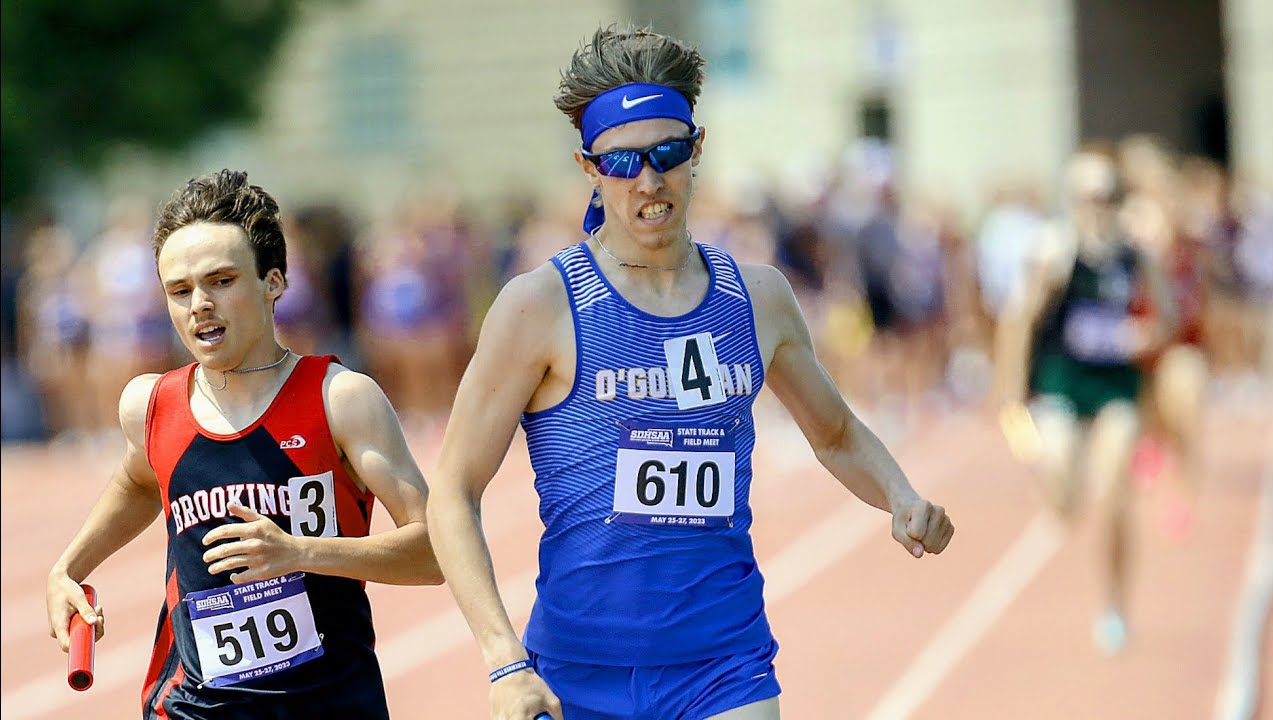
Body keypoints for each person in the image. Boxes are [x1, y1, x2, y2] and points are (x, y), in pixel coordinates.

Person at [427, 26, 954, 720]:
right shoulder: (540, 306)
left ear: (697, 150)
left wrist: (900, 494)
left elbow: (834, 434)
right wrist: (504, 662)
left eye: (668, 153)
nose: (649, 180)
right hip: (576, 674)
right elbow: (453, 492)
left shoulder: (757, 298)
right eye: (623, 162)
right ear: (590, 169)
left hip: (724, 665)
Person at [45, 169, 443, 719]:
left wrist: (301, 553)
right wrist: (68, 568)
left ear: (274, 282)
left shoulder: (341, 400)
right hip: (194, 706)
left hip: (328, 705)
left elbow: (434, 552)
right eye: (179, 291)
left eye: (222, 281)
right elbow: (139, 481)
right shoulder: (150, 405)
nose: (199, 304)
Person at [994, 144, 1175, 655]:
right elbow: (1018, 323)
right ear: (1071, 200)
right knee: (1065, 493)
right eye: (1088, 196)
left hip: (1115, 385)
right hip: (1060, 383)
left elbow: (1167, 319)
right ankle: (1059, 489)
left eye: (1108, 196)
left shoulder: (1135, 253)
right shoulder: (1055, 251)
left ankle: (1115, 605)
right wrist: (1010, 398)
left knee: (1116, 491)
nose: (1099, 206)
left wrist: (1143, 336)